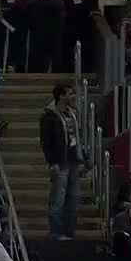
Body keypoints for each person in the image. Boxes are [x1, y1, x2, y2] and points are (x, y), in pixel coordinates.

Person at [40, 83, 81, 241]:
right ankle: (56, 231)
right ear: (61, 96)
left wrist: (82, 158)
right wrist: (52, 162)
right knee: (58, 198)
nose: (73, 97)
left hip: (73, 160)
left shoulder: (72, 114)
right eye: (70, 94)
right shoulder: (49, 116)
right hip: (60, 161)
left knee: (74, 197)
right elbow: (46, 142)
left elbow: (77, 138)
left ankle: (69, 231)